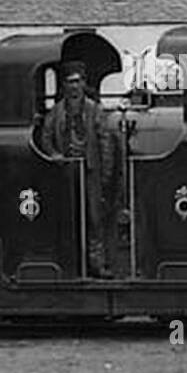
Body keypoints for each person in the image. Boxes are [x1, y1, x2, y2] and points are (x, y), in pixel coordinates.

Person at [38, 61, 118, 278]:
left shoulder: (95, 111)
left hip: (91, 171)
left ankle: (97, 263)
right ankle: (70, 263)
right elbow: (45, 136)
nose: (74, 87)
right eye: (69, 82)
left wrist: (106, 174)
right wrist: (55, 154)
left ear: (84, 84)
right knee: (67, 216)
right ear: (64, 86)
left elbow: (105, 143)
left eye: (77, 82)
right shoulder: (56, 112)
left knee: (94, 218)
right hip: (66, 170)